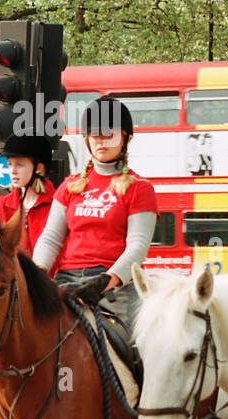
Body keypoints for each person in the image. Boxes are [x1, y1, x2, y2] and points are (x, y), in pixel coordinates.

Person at [32, 95, 157, 328]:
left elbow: (138, 246)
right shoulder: (69, 186)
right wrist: (38, 272)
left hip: (115, 287)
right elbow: (50, 238)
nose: (101, 141)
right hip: (66, 282)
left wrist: (106, 281)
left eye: (109, 134)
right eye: (95, 135)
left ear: (125, 138)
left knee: (134, 349)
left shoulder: (141, 188)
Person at [0, 136, 55, 256]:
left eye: (19, 165)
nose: (12, 171)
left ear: (38, 168)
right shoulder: (5, 204)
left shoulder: (56, 203)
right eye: (9, 164)